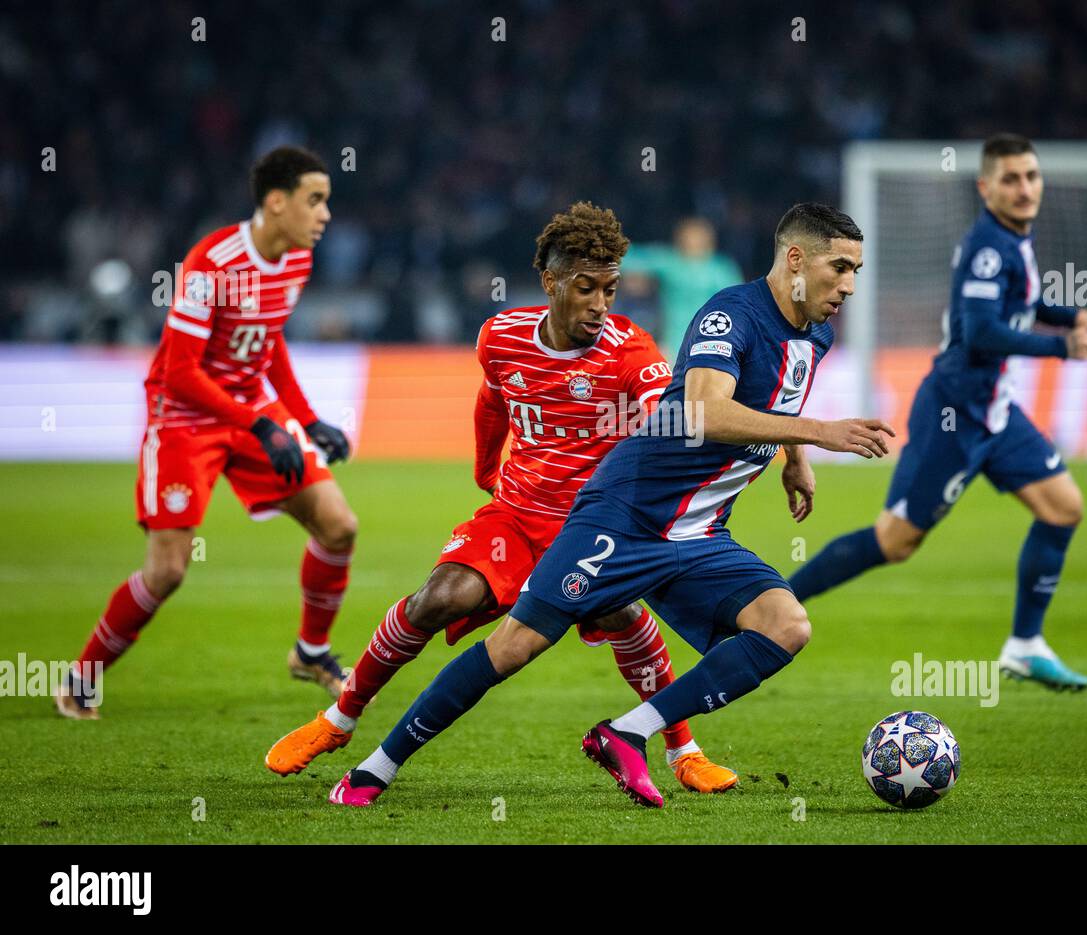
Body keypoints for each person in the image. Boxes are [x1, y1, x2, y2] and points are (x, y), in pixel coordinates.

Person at [324, 202, 893, 809]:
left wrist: (795, 461)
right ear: (798, 259)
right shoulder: (732, 314)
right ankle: (373, 769)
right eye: (841, 268)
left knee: (787, 626)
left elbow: (777, 397)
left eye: (857, 270)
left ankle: (627, 733)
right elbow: (701, 411)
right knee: (515, 646)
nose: (850, 286)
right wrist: (820, 432)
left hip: (698, 534)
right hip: (625, 514)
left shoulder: (818, 333)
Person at [265, 202, 738, 794]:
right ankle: (337, 719)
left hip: (591, 526)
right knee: (436, 599)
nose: (599, 304)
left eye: (610, 289)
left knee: (619, 613)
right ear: (550, 282)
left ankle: (684, 751)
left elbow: (671, 421)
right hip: (517, 514)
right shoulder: (502, 335)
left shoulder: (633, 354)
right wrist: (486, 467)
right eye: (585, 287)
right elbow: (492, 403)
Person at [789, 134, 1087, 691]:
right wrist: (1062, 348)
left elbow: (1020, 302)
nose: (1023, 189)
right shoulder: (988, 246)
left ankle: (1024, 645)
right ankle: (774, 604)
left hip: (998, 411)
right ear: (985, 187)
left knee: (1063, 508)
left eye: (1031, 177)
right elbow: (979, 330)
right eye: (1010, 179)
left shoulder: (1016, 240)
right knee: (895, 543)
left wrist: (1072, 316)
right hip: (956, 413)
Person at [56, 146, 357, 719]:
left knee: (339, 526)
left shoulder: (296, 260)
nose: (325, 215)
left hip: (249, 416)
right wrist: (262, 422)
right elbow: (180, 372)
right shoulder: (211, 263)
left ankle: (310, 651)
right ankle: (80, 676)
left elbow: (267, 343)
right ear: (276, 201)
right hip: (184, 419)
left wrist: (308, 417)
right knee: (167, 570)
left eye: (327, 202)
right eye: (315, 201)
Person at [622, 217, 743, 353]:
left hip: (711, 343)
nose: (692, 242)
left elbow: (739, 305)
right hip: (674, 343)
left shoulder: (720, 269)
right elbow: (634, 259)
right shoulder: (672, 261)